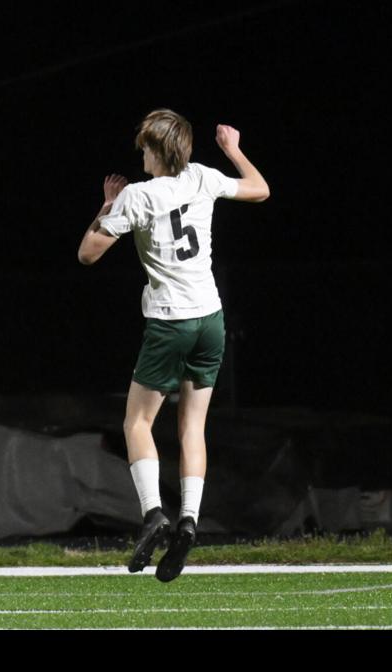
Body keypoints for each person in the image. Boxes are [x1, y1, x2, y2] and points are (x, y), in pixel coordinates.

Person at [77, 109, 269, 581]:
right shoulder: (202, 177)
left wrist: (108, 207)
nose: (139, 152)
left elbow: (87, 254)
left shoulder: (138, 195)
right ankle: (189, 521)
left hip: (169, 323)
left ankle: (153, 514)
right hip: (210, 318)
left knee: (137, 421)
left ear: (157, 150)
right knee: (192, 427)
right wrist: (233, 150)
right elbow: (260, 189)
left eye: (144, 146)